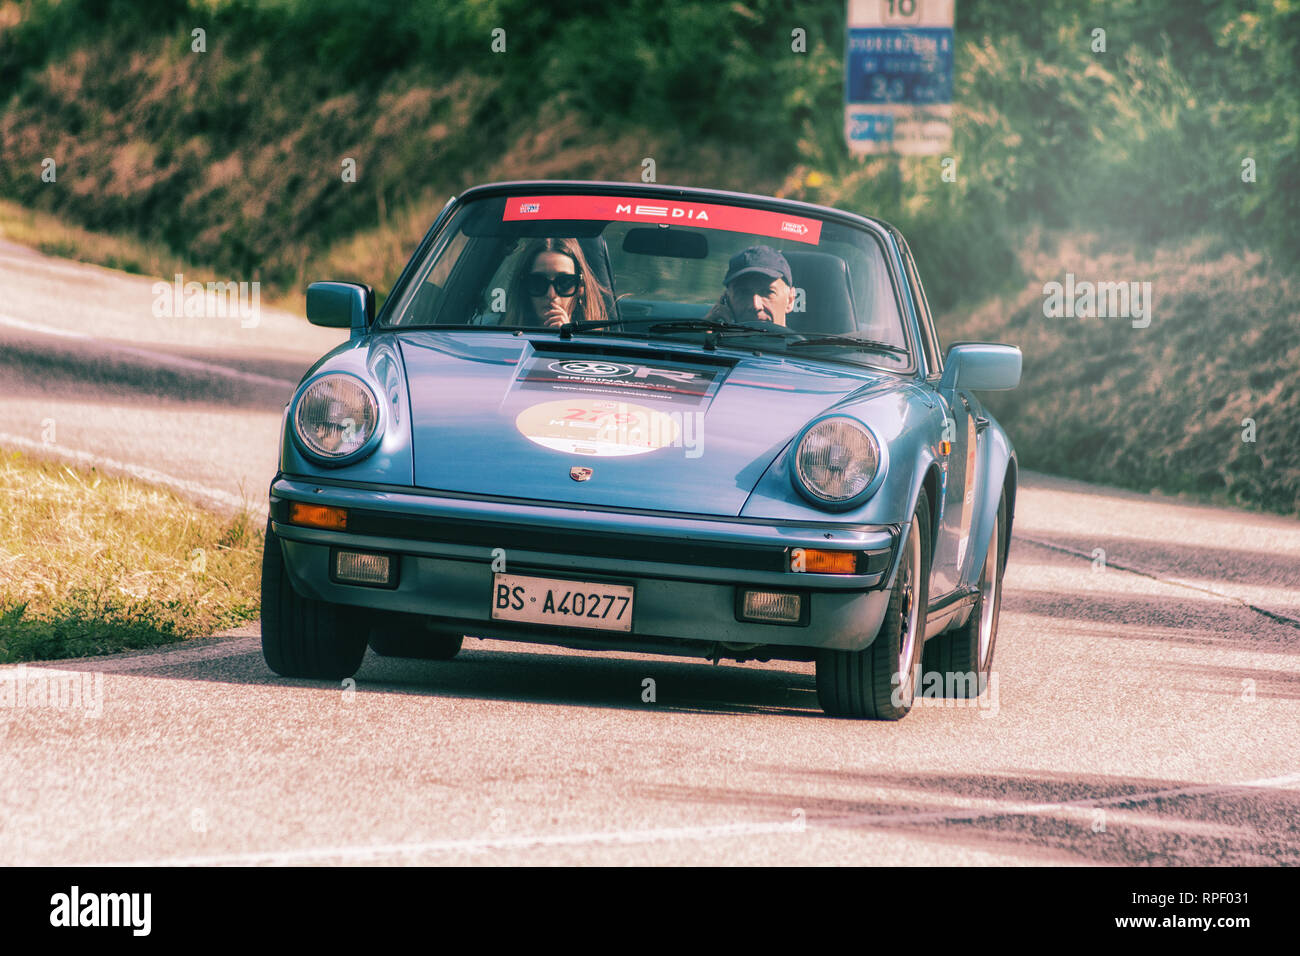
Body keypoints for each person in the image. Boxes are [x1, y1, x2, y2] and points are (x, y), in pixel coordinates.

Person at [504, 237, 611, 328]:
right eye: (538, 283)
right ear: (524, 287)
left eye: (564, 283)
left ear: (580, 287)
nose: (551, 294)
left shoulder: (598, 346)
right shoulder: (497, 337)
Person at [704, 245, 797, 327]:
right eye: (743, 293)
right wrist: (706, 333)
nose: (755, 305)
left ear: (790, 300)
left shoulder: (805, 346)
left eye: (768, 292)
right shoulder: (709, 343)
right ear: (727, 301)